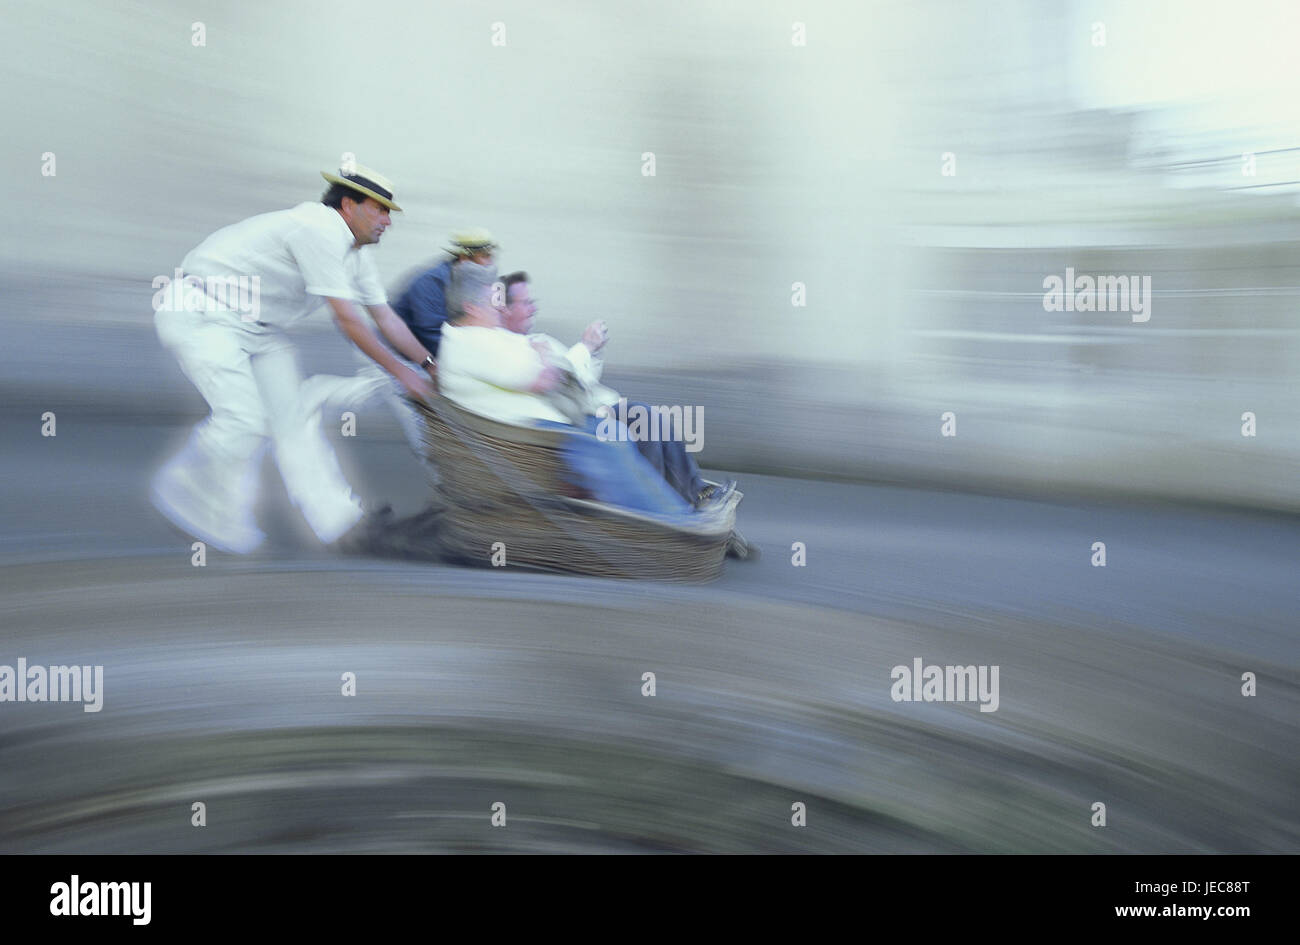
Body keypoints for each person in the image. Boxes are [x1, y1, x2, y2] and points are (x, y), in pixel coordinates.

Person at [150, 163, 436, 554]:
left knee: (295, 420)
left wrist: (430, 366)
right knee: (246, 420)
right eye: (380, 208)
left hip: (259, 329)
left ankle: (341, 525)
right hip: (202, 312)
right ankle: (186, 487)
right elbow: (348, 320)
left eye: (390, 212)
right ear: (348, 204)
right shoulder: (318, 228)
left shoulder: (354, 254)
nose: (388, 220)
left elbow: (383, 317)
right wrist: (402, 373)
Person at [436, 263, 731, 520]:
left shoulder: (507, 339)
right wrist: (578, 349)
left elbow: (568, 376)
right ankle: (673, 519)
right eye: (496, 301)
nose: (501, 307)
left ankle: (688, 501)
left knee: (647, 422)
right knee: (628, 432)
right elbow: (548, 378)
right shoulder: (475, 343)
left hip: (572, 410)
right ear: (473, 307)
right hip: (546, 426)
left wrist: (567, 356)